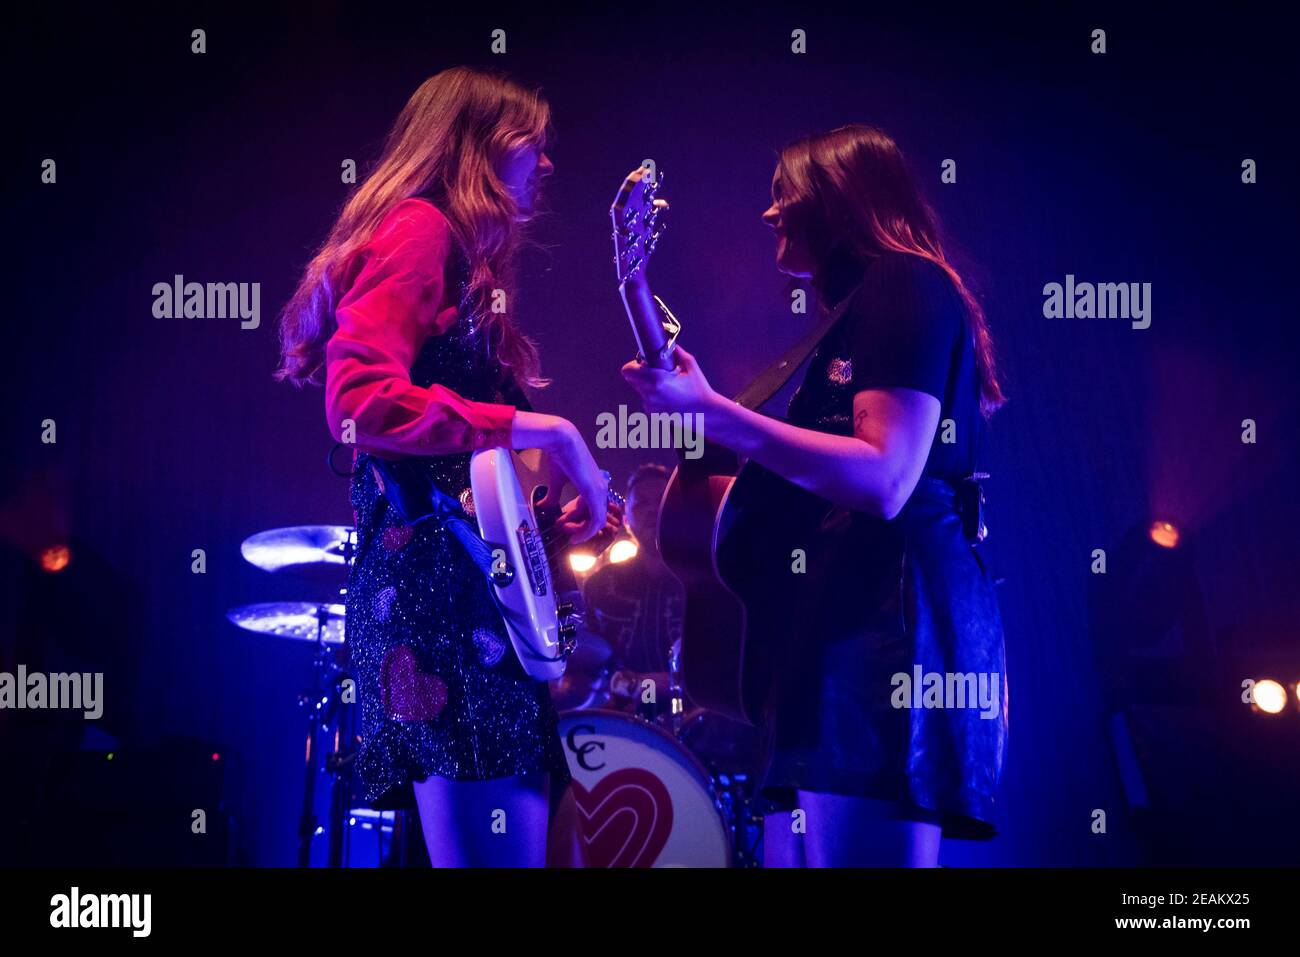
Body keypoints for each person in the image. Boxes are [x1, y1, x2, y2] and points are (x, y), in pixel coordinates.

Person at [621, 124, 1008, 867]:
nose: (770, 215)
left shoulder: (906, 281)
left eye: (784, 193)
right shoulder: (860, 311)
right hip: (837, 629)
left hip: (886, 628)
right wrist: (645, 313)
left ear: (842, 199)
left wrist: (710, 411)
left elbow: (885, 476)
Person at [277, 67, 617, 867]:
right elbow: (358, 401)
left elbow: (457, 460)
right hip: (441, 605)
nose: (548, 162)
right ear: (477, 145)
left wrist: (533, 515)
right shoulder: (420, 229)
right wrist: (556, 432)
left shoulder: (460, 257)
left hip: (457, 594)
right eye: (531, 139)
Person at [582, 463, 684, 716]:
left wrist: (670, 683)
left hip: (700, 727)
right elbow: (587, 661)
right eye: (641, 504)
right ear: (626, 520)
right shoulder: (600, 585)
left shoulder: (707, 579)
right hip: (622, 722)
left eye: (661, 502)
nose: (652, 511)